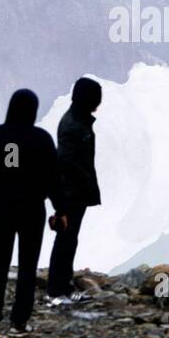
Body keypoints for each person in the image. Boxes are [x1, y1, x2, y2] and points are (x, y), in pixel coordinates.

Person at [0, 88, 65, 336]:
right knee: (27, 266)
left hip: (3, 207)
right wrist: (61, 209)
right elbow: (54, 179)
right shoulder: (42, 139)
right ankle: (19, 323)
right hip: (33, 209)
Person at [46, 76, 102, 305]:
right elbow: (67, 161)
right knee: (66, 239)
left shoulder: (76, 121)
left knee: (69, 239)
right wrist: (85, 181)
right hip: (71, 194)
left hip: (74, 192)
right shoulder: (73, 125)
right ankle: (57, 289)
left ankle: (62, 286)